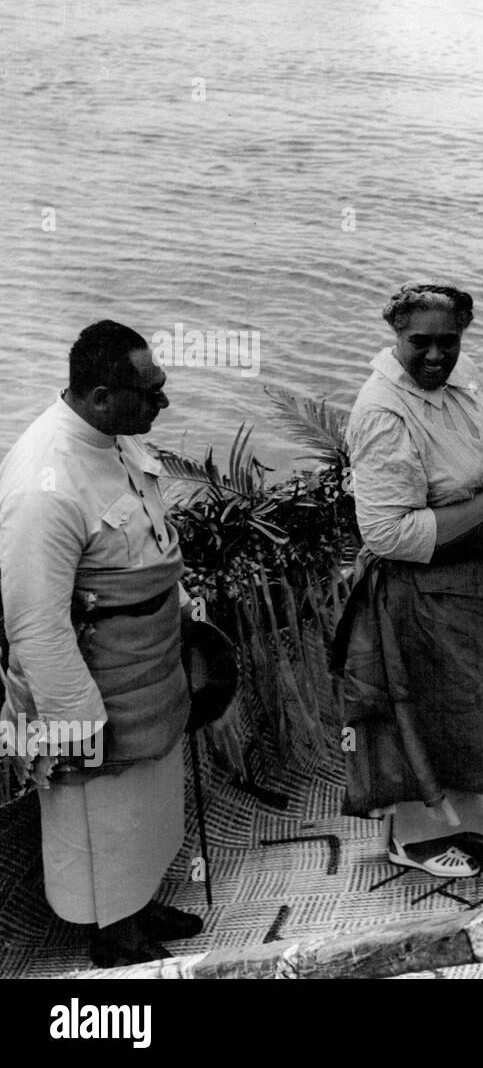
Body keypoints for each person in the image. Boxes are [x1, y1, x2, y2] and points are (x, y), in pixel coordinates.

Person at [335, 283, 483, 878]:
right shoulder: (383, 411)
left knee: (473, 716)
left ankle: (480, 829)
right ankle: (417, 838)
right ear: (396, 336)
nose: (436, 355)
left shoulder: (453, 385)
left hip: (475, 583)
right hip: (423, 592)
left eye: (449, 342)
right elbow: (386, 534)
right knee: (458, 717)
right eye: (421, 343)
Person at [0, 320, 203, 966]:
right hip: (92, 674)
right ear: (98, 396)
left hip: (146, 659)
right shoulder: (44, 481)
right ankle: (113, 935)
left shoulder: (115, 439)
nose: (161, 405)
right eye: (150, 394)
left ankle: (139, 903)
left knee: (145, 798)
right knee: (102, 807)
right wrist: (74, 722)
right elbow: (34, 620)